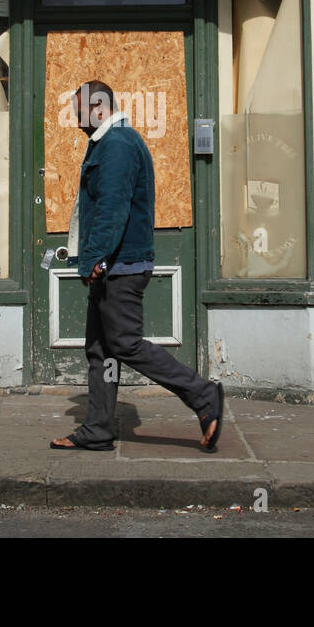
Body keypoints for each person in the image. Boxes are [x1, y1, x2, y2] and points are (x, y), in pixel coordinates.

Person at [49, 80, 224, 452]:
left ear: (98, 107)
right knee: (101, 350)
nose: (74, 118)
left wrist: (94, 260)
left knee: (125, 344)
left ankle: (203, 395)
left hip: (120, 267)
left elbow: (113, 208)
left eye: (78, 109)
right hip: (114, 265)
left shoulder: (118, 144)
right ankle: (97, 428)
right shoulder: (110, 142)